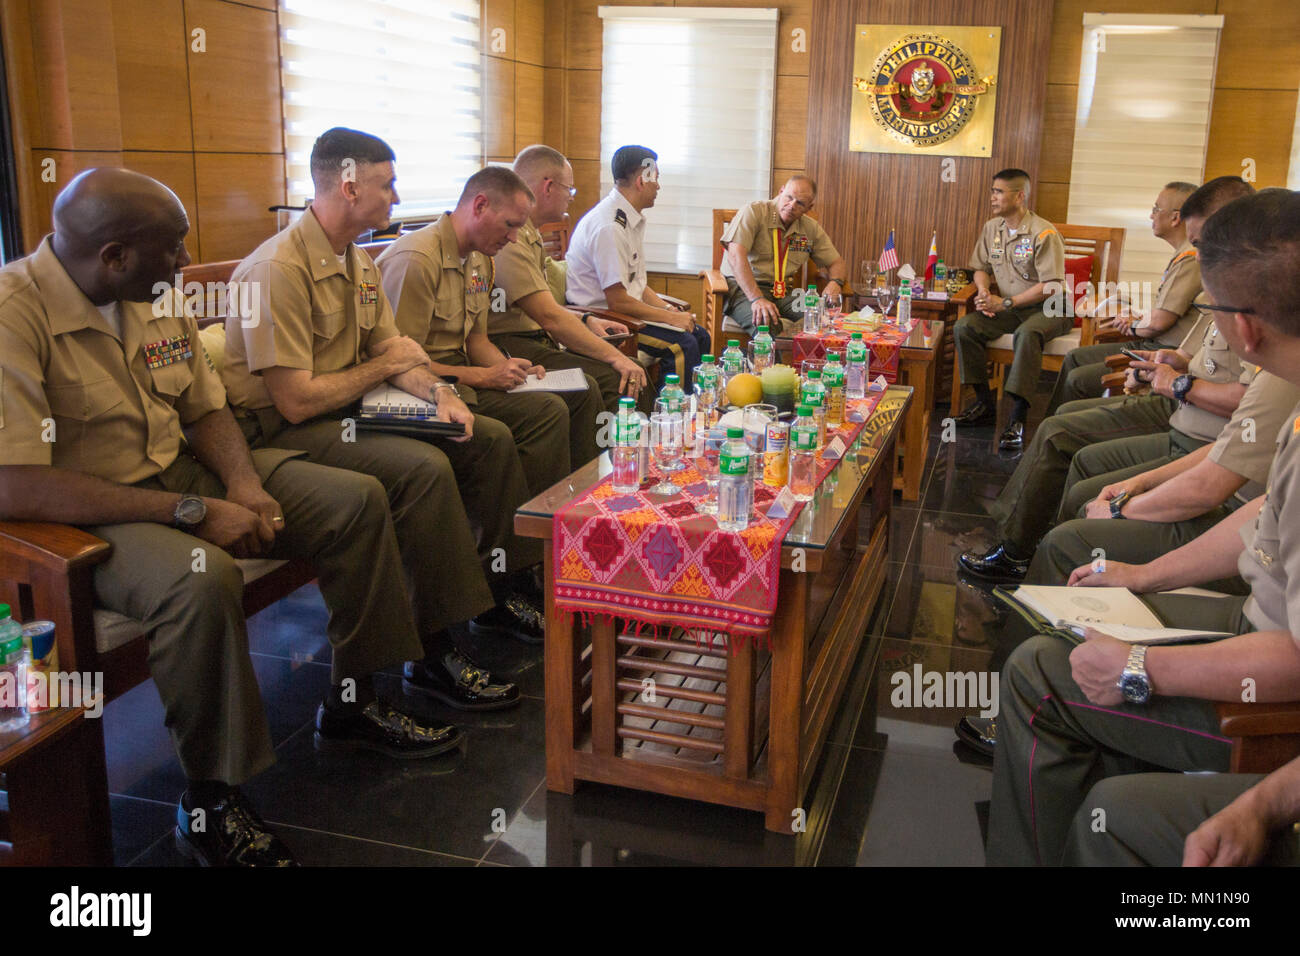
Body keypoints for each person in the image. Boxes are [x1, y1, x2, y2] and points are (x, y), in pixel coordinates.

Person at [0, 168, 461, 868]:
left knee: (354, 500)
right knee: (201, 578)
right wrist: (189, 510)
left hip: (185, 472)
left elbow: (205, 405)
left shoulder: (152, 293)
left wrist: (243, 483)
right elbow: (21, 484)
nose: (188, 264)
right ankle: (211, 801)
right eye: (174, 250)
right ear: (115, 256)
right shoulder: (14, 313)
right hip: (86, 518)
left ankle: (352, 701)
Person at [986, 187, 1300, 866]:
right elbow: (1261, 513)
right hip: (1254, 620)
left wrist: (1140, 668)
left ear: (1243, 329)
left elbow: (1295, 656)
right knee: (1094, 603)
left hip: (1273, 700)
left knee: (1041, 675)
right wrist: (1141, 573)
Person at [222, 127, 536, 714]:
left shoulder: (357, 263)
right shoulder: (277, 270)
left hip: (344, 410)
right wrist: (386, 369)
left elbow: (397, 353)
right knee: (419, 468)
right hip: (283, 432)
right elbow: (295, 402)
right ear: (347, 185)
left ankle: (492, 597)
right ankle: (425, 656)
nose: (395, 198)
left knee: (482, 436)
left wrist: (438, 393)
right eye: (386, 185)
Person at [957, 177, 1257, 582]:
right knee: (1059, 415)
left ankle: (1025, 535)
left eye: (1204, 241)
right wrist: (1172, 360)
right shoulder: (1225, 286)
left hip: (1183, 417)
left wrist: (1178, 380)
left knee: (1061, 424)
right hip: (1177, 406)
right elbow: (1196, 350)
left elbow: (1241, 419)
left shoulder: (1252, 304)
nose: (1200, 252)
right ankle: (1023, 528)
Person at [375, 165, 597, 486]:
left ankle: (560, 508)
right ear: (479, 206)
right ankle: (518, 530)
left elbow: (477, 341)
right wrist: (486, 376)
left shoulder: (480, 259)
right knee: (509, 430)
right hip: (415, 389)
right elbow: (402, 364)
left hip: (458, 379)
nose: (514, 237)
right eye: (509, 225)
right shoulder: (417, 259)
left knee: (560, 399)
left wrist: (509, 371)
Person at [1027, 367, 1300, 592]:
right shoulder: (1274, 372)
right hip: (1248, 525)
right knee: (1083, 496)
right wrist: (1141, 483)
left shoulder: (1279, 378)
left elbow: (1208, 489)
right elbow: (1230, 447)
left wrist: (1119, 510)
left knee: (1065, 543)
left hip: (1261, 558)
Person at [491, 144, 649, 419]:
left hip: (538, 337)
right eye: (569, 189)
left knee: (629, 370)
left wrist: (586, 319)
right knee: (619, 376)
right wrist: (615, 357)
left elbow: (545, 308)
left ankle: (641, 455)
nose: (572, 198)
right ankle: (615, 460)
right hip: (512, 344)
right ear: (548, 187)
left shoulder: (530, 234)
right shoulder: (512, 239)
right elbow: (549, 316)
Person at [1045, 181, 1202, 414]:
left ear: (1175, 218)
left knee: (1077, 378)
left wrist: (1133, 325)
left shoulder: (1190, 258)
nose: (1151, 215)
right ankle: (1052, 428)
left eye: (1156, 209)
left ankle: (1062, 431)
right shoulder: (1183, 254)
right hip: (1152, 342)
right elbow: (1163, 313)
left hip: (1163, 350)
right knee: (1074, 357)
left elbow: (1159, 323)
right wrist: (1136, 319)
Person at [565, 144, 712, 387]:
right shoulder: (610, 227)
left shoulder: (628, 218)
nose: (659, 186)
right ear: (642, 180)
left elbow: (637, 285)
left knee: (699, 335)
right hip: (607, 318)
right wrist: (668, 319)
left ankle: (694, 409)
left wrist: (668, 311)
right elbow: (618, 301)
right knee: (681, 346)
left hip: (626, 312)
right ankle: (670, 415)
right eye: (656, 179)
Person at [951, 168, 1067, 451]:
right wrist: (983, 292)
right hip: (1011, 307)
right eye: (993, 191)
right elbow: (979, 267)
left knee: (1027, 334)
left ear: (1020, 196)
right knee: (965, 327)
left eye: (999, 192)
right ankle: (984, 404)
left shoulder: (1044, 233)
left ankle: (1017, 418)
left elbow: (1051, 285)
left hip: (1051, 308)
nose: (992, 197)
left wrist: (1004, 303)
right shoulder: (993, 228)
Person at [719, 175, 848, 335]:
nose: (792, 205)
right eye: (789, 197)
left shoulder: (810, 228)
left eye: (800, 203)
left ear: (809, 207)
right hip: (745, 290)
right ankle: (775, 360)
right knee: (767, 324)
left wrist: (835, 282)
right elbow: (735, 256)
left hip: (783, 294)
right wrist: (757, 299)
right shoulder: (754, 212)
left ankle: (806, 360)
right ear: (781, 191)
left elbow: (837, 263)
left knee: (822, 319)